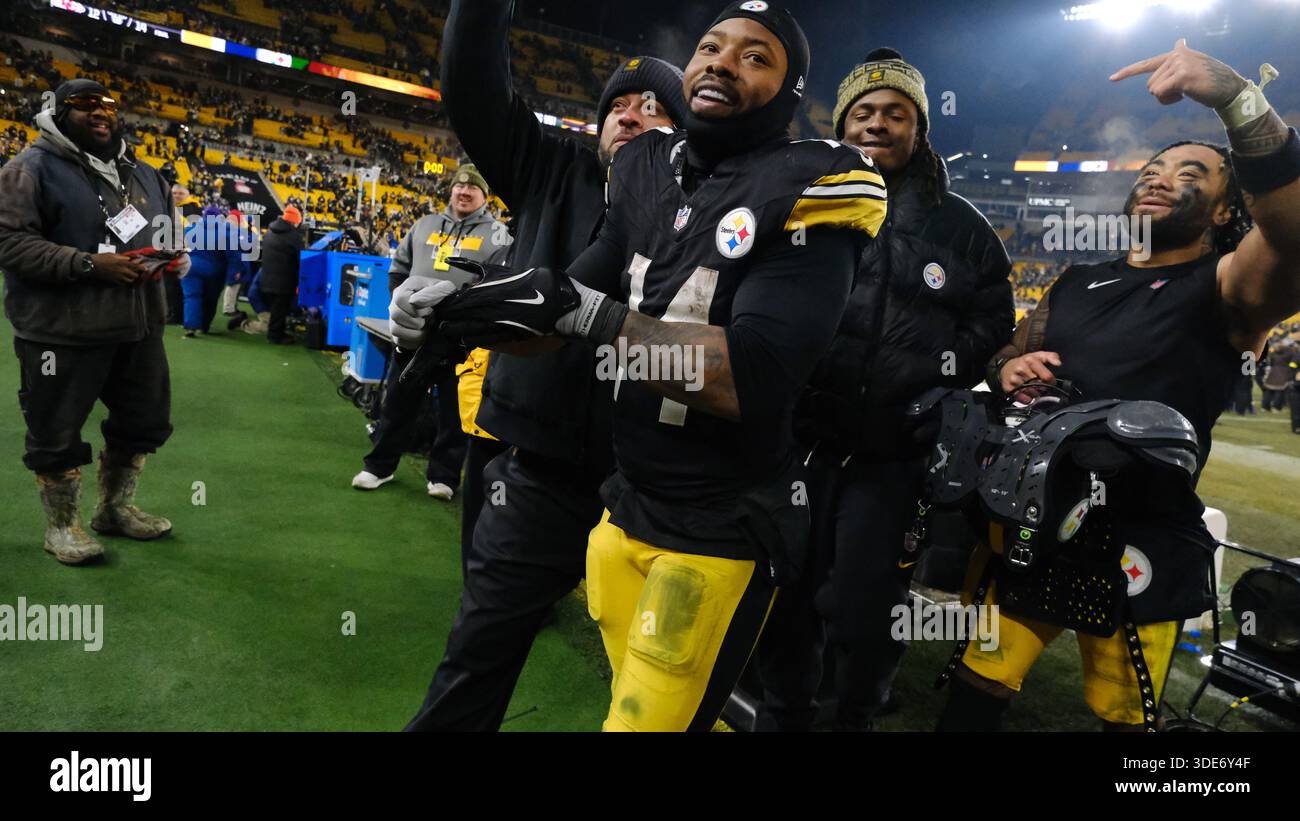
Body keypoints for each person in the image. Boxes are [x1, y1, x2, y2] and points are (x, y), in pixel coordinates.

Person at [433, 1, 888, 731]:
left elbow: (748, 379)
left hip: (716, 528)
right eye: (711, 46)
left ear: (793, 92)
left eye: (755, 55)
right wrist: (464, 312)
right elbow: (563, 307)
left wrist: (594, 318)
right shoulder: (645, 169)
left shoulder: (818, 181)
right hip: (624, 509)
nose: (721, 61)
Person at [937, 39, 1300, 731]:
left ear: (1227, 212)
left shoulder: (1230, 283)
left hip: (1145, 538)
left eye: (1191, 171)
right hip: (1034, 523)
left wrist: (1235, 98)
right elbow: (1010, 354)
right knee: (973, 691)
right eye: (1155, 166)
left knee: (1126, 721)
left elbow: (1294, 234)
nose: (1160, 176)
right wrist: (1005, 368)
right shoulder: (1076, 280)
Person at [401, 0, 685, 732]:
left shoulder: (713, 206)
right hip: (539, 471)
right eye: (617, 106)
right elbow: (471, 90)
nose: (631, 114)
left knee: (658, 686)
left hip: (662, 484)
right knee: (477, 654)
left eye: (653, 107)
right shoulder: (546, 170)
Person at [753, 48, 1014, 731]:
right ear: (842, 126)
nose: (877, 124)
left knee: (867, 612)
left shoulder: (964, 228)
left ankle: (853, 719)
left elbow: (995, 316)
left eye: (894, 113)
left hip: (892, 455)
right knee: (786, 593)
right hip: (799, 443)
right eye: (862, 113)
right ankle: (783, 716)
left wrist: (941, 366)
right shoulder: (804, 201)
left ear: (919, 129)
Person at [0, 79, 185, 565]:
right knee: (55, 431)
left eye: (107, 105)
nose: (100, 113)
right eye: (84, 105)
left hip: (139, 324)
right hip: (61, 331)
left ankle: (114, 508)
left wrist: (172, 257)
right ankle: (63, 527)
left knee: (144, 421)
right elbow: (10, 244)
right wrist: (87, 264)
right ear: (58, 113)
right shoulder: (28, 169)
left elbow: (159, 228)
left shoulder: (144, 172)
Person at [353, 164, 511, 497]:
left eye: (473, 189)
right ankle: (378, 467)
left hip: (462, 339)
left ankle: (444, 477)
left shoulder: (497, 233)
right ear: (451, 190)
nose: (464, 193)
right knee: (397, 402)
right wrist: (400, 305)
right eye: (459, 187)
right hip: (416, 335)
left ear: (484, 196)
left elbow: (499, 284)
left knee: (454, 411)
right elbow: (398, 269)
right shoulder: (424, 224)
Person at [182, 205, 241, 337]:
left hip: (190, 267)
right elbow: (233, 255)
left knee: (191, 297)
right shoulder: (225, 231)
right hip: (214, 271)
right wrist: (235, 271)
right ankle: (204, 326)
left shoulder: (190, 228)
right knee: (211, 299)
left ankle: (190, 327)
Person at [257, 205, 303, 345]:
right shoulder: (293, 236)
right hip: (284, 281)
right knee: (279, 310)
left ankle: (277, 332)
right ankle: (275, 336)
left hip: (268, 278)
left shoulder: (270, 232)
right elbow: (299, 258)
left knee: (277, 310)